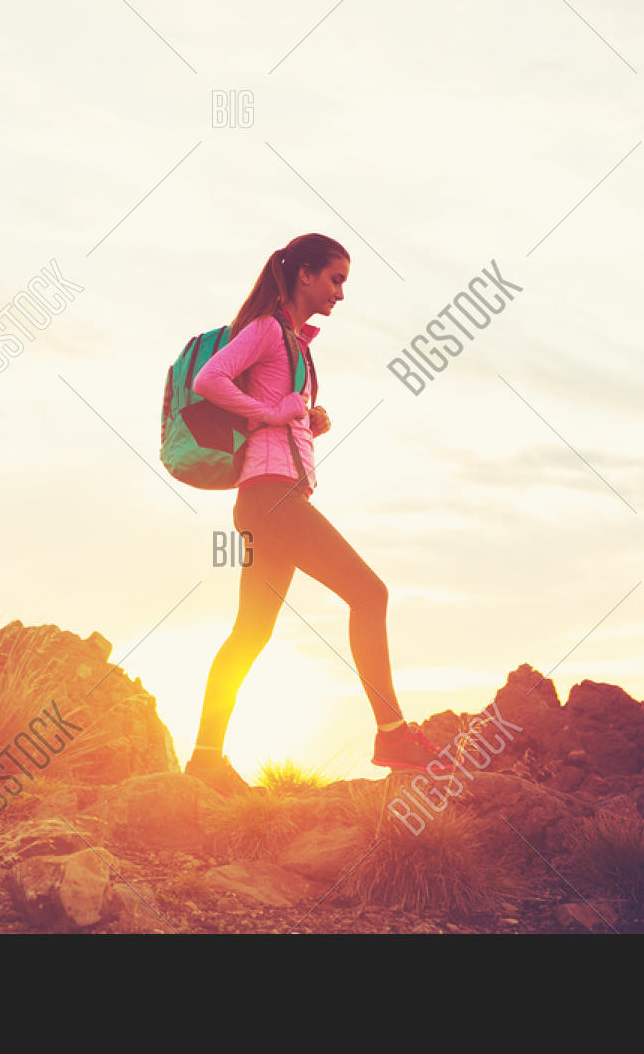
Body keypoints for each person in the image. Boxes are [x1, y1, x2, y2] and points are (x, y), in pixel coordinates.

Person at [183, 232, 447, 797]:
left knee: (250, 632)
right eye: (335, 279)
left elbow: (275, 412)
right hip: (270, 497)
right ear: (304, 274)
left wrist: (304, 421)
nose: (341, 293)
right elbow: (210, 380)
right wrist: (269, 414)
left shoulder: (297, 345)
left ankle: (205, 760)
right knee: (369, 594)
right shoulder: (264, 330)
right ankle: (392, 734)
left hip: (272, 497)